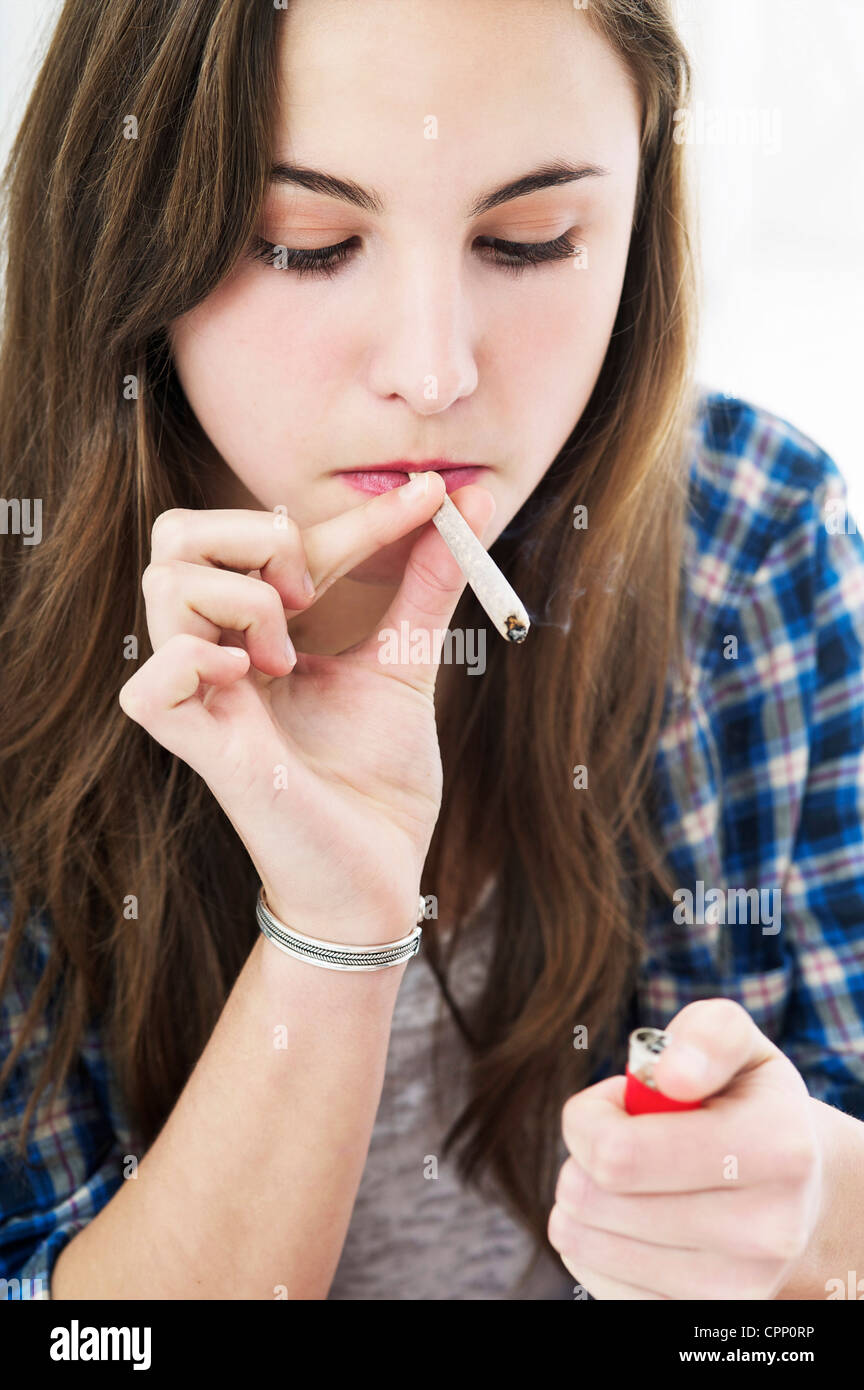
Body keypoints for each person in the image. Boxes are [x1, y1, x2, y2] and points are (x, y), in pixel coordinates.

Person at [1, 0, 863, 1302]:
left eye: (533, 241)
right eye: (306, 245)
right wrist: (333, 923)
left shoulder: (748, 537)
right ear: (128, 226)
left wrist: (817, 1216)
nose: (434, 371)